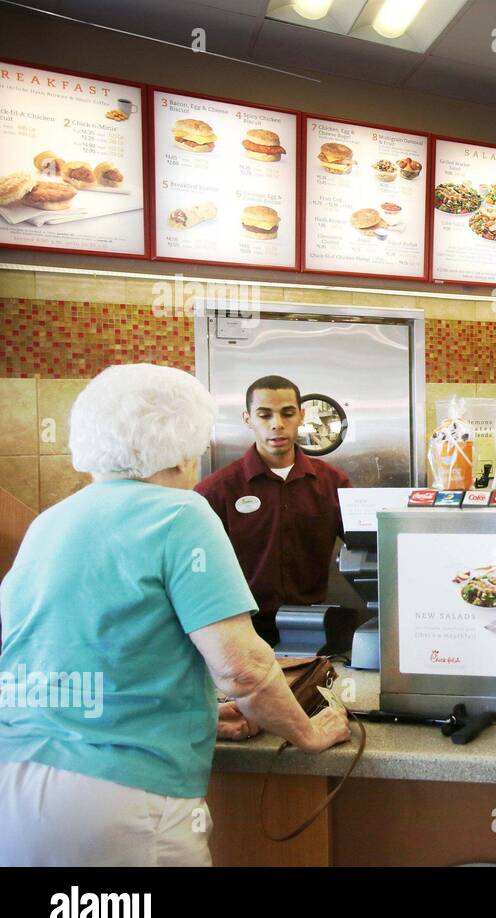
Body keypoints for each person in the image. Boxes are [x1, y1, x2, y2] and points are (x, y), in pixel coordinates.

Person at [0, 364, 350, 866]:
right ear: (186, 446)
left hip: (15, 784)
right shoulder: (180, 512)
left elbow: (85, 647)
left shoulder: (51, 521)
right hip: (122, 797)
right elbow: (243, 670)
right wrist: (310, 734)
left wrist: (201, 713)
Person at [196, 375, 352, 645]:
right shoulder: (216, 490)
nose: (277, 424)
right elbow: (197, 568)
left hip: (313, 627)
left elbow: (369, 546)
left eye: (287, 413)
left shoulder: (333, 484)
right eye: (264, 415)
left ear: (301, 416)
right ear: (248, 419)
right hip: (241, 629)